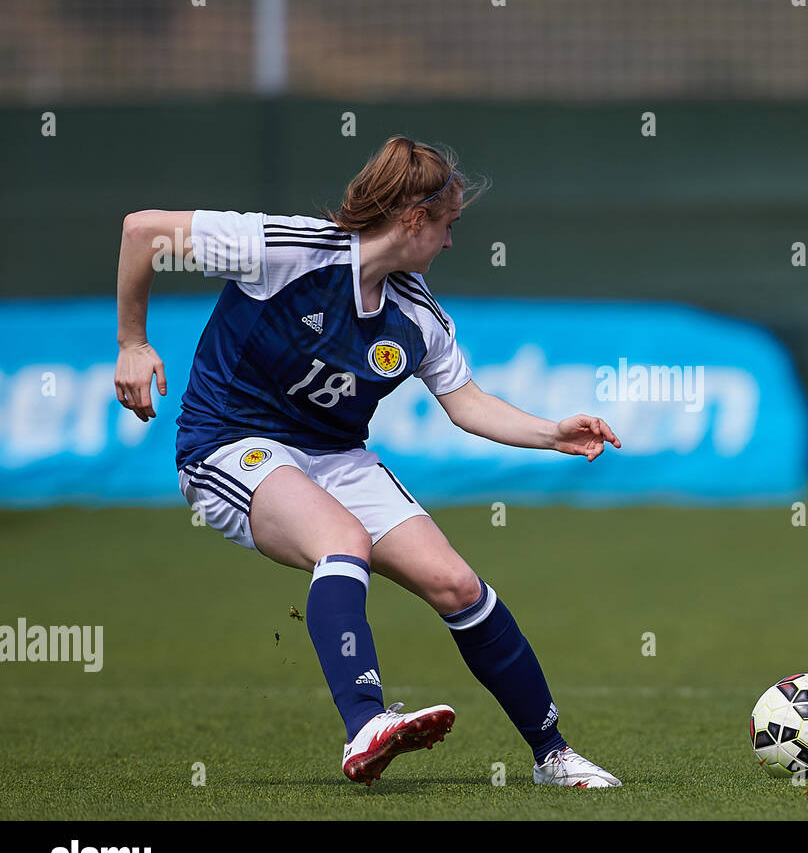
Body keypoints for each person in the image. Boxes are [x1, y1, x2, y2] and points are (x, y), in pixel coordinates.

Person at [114, 135, 624, 787]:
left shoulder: (418, 316)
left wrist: (553, 433)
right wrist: (133, 342)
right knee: (343, 541)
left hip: (333, 454)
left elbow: (467, 404)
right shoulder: (287, 248)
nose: (448, 243)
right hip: (227, 441)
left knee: (458, 586)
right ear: (414, 218)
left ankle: (552, 755)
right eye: (447, 225)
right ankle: (365, 725)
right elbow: (143, 231)